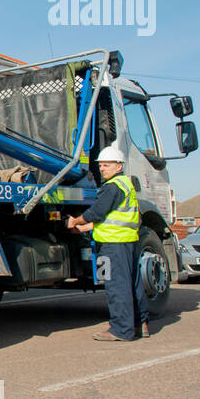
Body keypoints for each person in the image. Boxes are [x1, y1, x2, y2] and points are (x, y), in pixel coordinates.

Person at [66, 145, 150, 341]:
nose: (102, 169)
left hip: (112, 245)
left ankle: (121, 329)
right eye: (101, 165)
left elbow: (96, 213)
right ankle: (140, 323)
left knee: (116, 286)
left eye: (107, 165)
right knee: (133, 284)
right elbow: (111, 219)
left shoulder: (112, 187)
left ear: (119, 166)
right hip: (127, 242)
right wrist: (86, 228)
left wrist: (76, 221)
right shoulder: (125, 185)